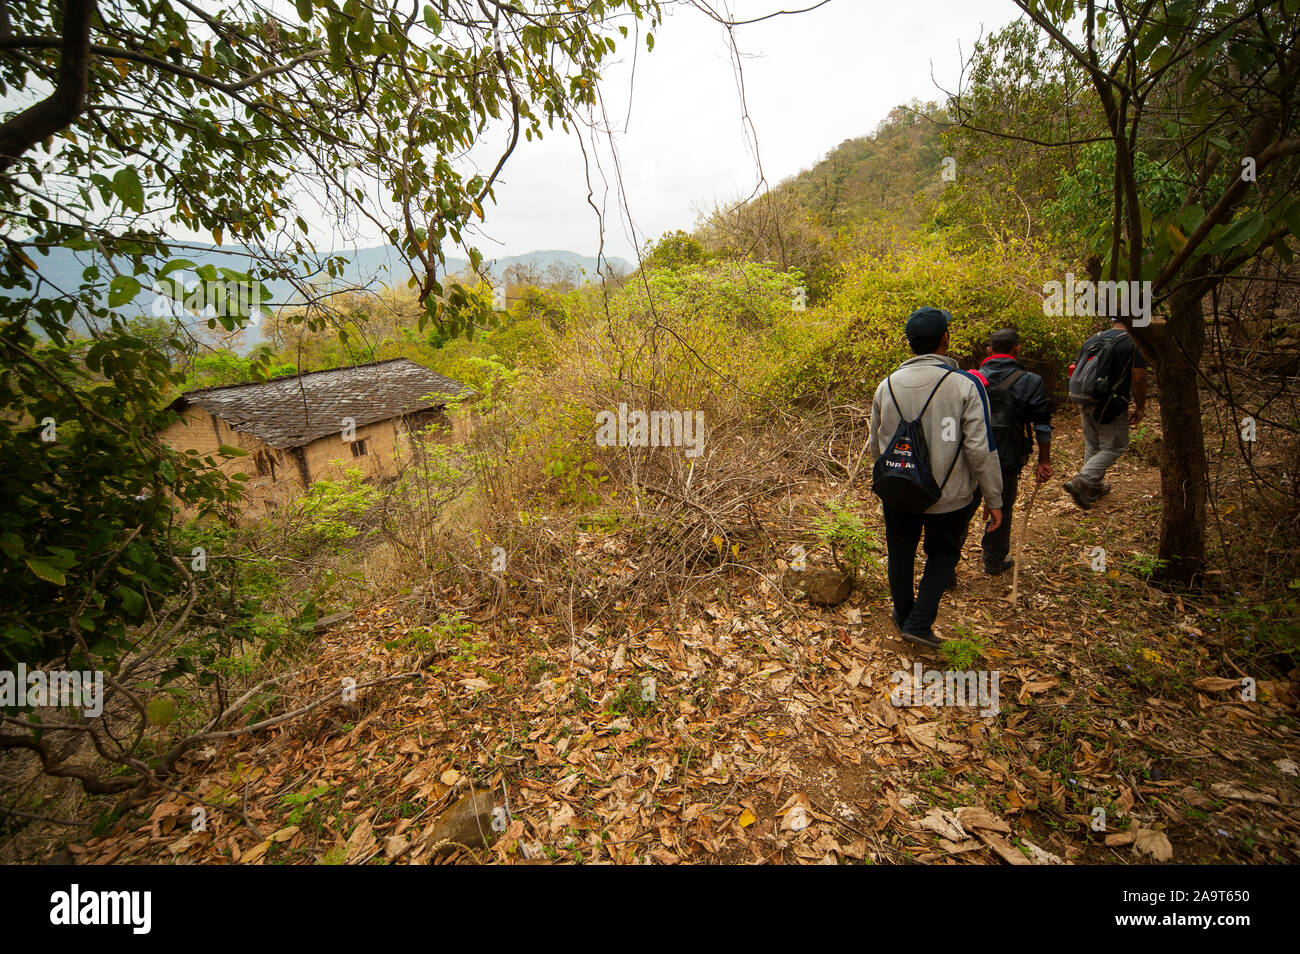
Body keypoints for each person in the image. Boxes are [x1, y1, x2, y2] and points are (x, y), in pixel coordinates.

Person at [869, 307, 1003, 649]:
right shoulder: (965, 385)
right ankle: (919, 622)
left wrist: (893, 481)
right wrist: (994, 498)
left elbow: (876, 445)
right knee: (942, 554)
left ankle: (903, 614)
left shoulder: (887, 386)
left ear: (910, 343)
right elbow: (980, 449)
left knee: (901, 552)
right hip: (950, 496)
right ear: (945, 338)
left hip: (899, 492)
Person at [967, 329, 1054, 574]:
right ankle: (994, 560)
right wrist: (1043, 461)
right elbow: (1042, 425)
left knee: (965, 506)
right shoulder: (1031, 381)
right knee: (1002, 504)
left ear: (989, 351)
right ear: (1017, 349)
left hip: (972, 454)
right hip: (1008, 455)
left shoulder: (972, 379)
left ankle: (946, 563)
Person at [1063, 317, 1148, 510]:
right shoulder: (1133, 342)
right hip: (1112, 403)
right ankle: (1083, 480)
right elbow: (1140, 379)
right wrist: (1140, 406)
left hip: (1086, 399)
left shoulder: (1094, 338)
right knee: (1115, 446)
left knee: (1093, 443)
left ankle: (1094, 487)